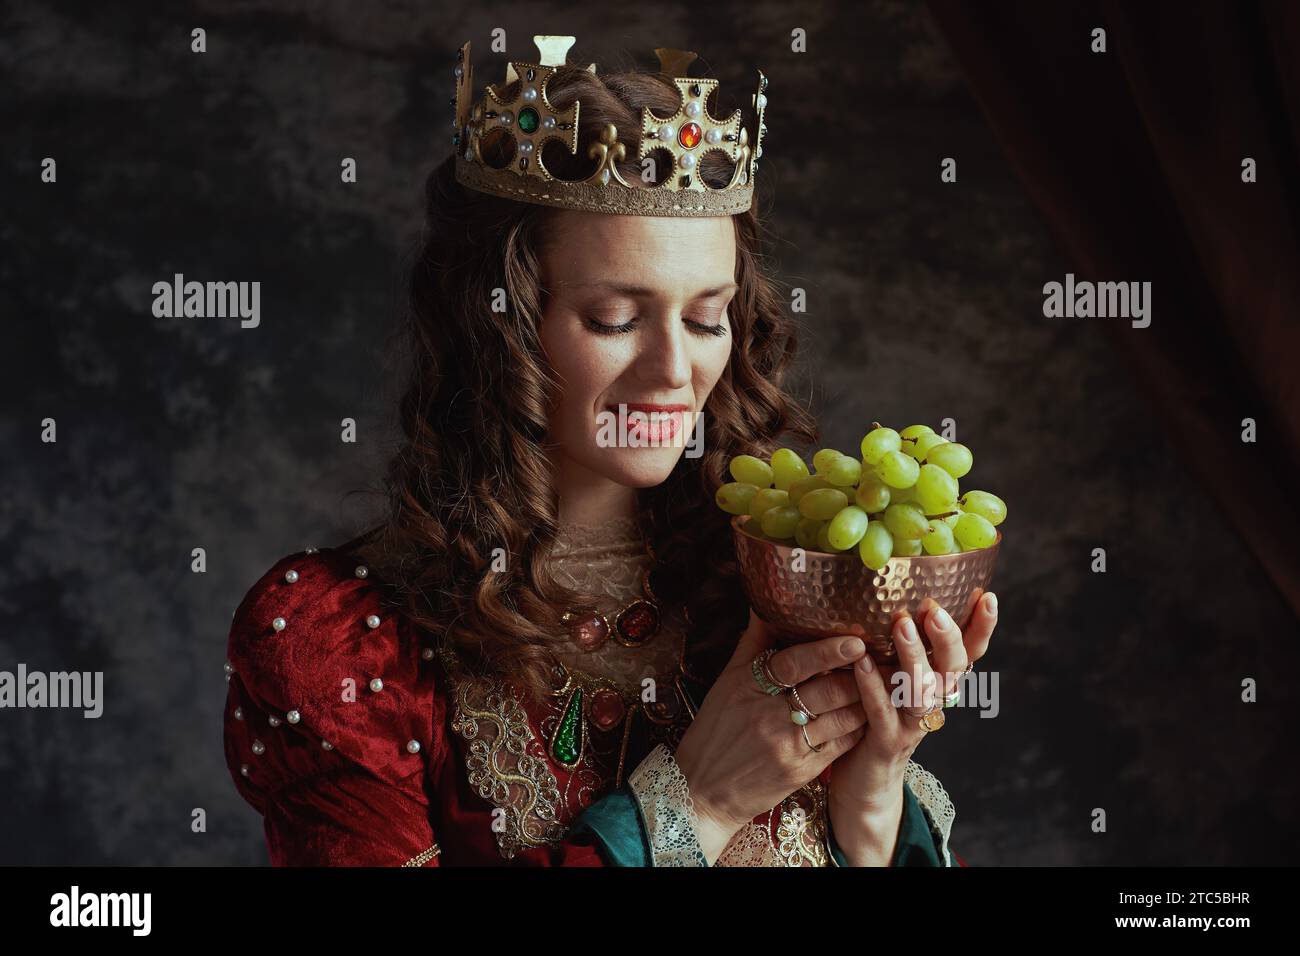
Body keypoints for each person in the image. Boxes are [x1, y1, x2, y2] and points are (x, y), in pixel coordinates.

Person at [223, 35, 999, 867]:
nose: (675, 371)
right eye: (615, 320)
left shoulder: (780, 586)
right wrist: (696, 805)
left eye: (706, 320)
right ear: (500, 326)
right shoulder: (342, 644)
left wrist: (874, 793)